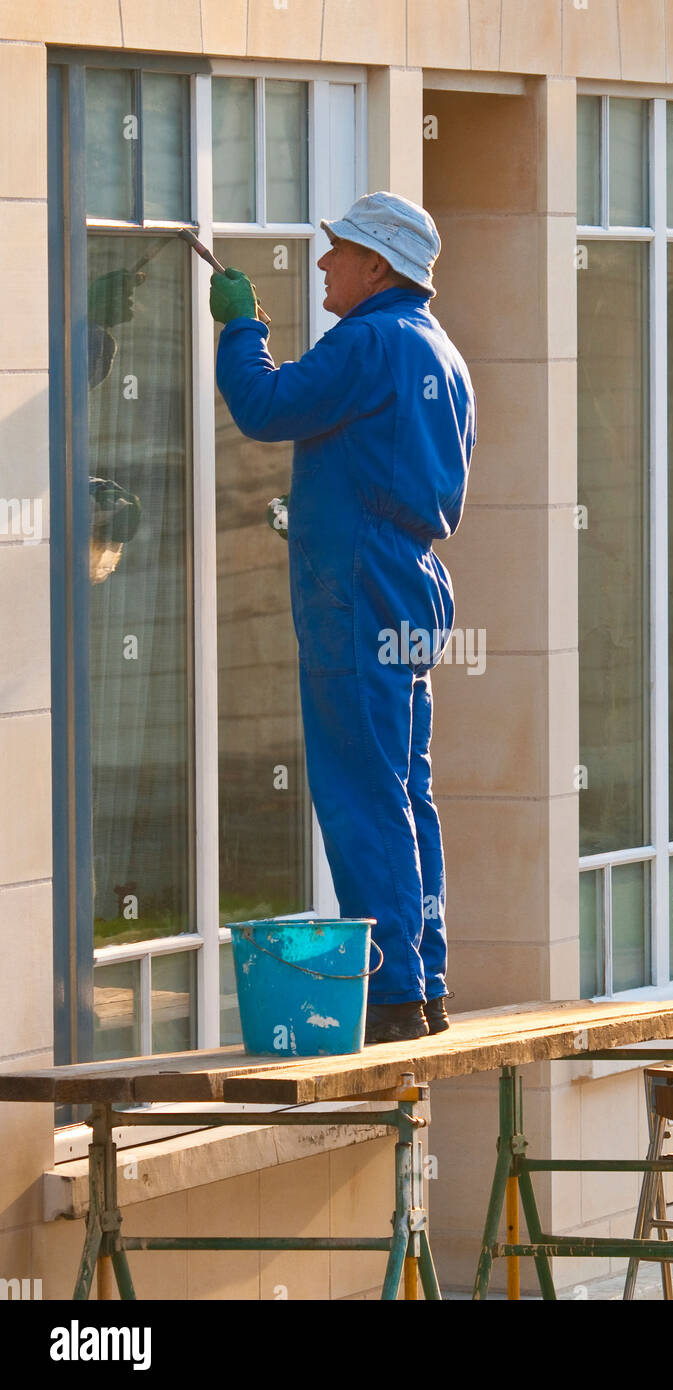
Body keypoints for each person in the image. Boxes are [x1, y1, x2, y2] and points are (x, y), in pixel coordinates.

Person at [210, 191, 477, 1043]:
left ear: (377, 268)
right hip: (408, 584)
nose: (322, 263)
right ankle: (423, 980)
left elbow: (267, 407)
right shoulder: (440, 351)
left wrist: (237, 329)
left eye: (338, 252)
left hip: (355, 592)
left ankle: (394, 994)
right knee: (405, 790)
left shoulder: (367, 340)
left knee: (361, 792)